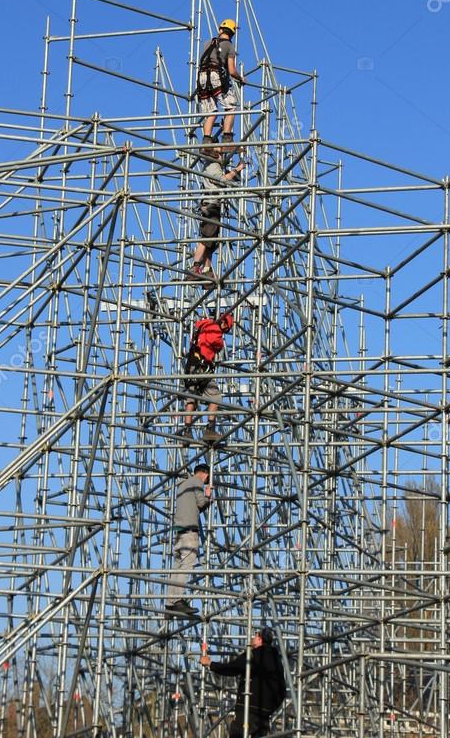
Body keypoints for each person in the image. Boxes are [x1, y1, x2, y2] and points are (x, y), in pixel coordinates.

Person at [200, 628, 287, 737]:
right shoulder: (277, 660)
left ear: (260, 639)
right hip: (264, 713)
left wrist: (210, 664)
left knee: (237, 734)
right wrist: (269, 707)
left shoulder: (253, 655)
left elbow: (232, 668)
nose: (252, 638)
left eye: (255, 635)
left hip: (248, 708)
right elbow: (282, 690)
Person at [188, 153, 245, 283]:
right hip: (211, 205)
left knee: (211, 242)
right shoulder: (212, 165)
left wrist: (236, 171)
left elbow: (229, 179)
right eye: (221, 153)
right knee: (207, 237)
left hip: (215, 205)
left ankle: (207, 270)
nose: (224, 156)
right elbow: (222, 179)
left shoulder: (217, 166)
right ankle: (195, 267)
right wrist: (237, 169)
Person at [165, 463, 212, 618]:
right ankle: (177, 600)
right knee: (186, 566)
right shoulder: (197, 482)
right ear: (205, 474)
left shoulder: (183, 484)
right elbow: (201, 503)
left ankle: (170, 602)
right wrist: (208, 496)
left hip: (179, 532)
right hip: (190, 532)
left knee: (177, 566)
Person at [181, 312, 234, 445]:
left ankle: (187, 431)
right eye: (225, 329)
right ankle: (210, 430)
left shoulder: (202, 326)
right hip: (202, 366)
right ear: (223, 323)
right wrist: (220, 343)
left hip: (192, 366)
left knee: (191, 399)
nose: (224, 331)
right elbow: (217, 343)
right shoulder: (214, 329)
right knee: (215, 397)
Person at [197, 19, 245, 152]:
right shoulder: (229, 46)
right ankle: (227, 139)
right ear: (232, 33)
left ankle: (206, 143)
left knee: (211, 111)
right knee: (230, 107)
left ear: (220, 30)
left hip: (202, 78)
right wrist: (240, 78)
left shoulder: (207, 43)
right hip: (216, 76)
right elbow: (232, 70)